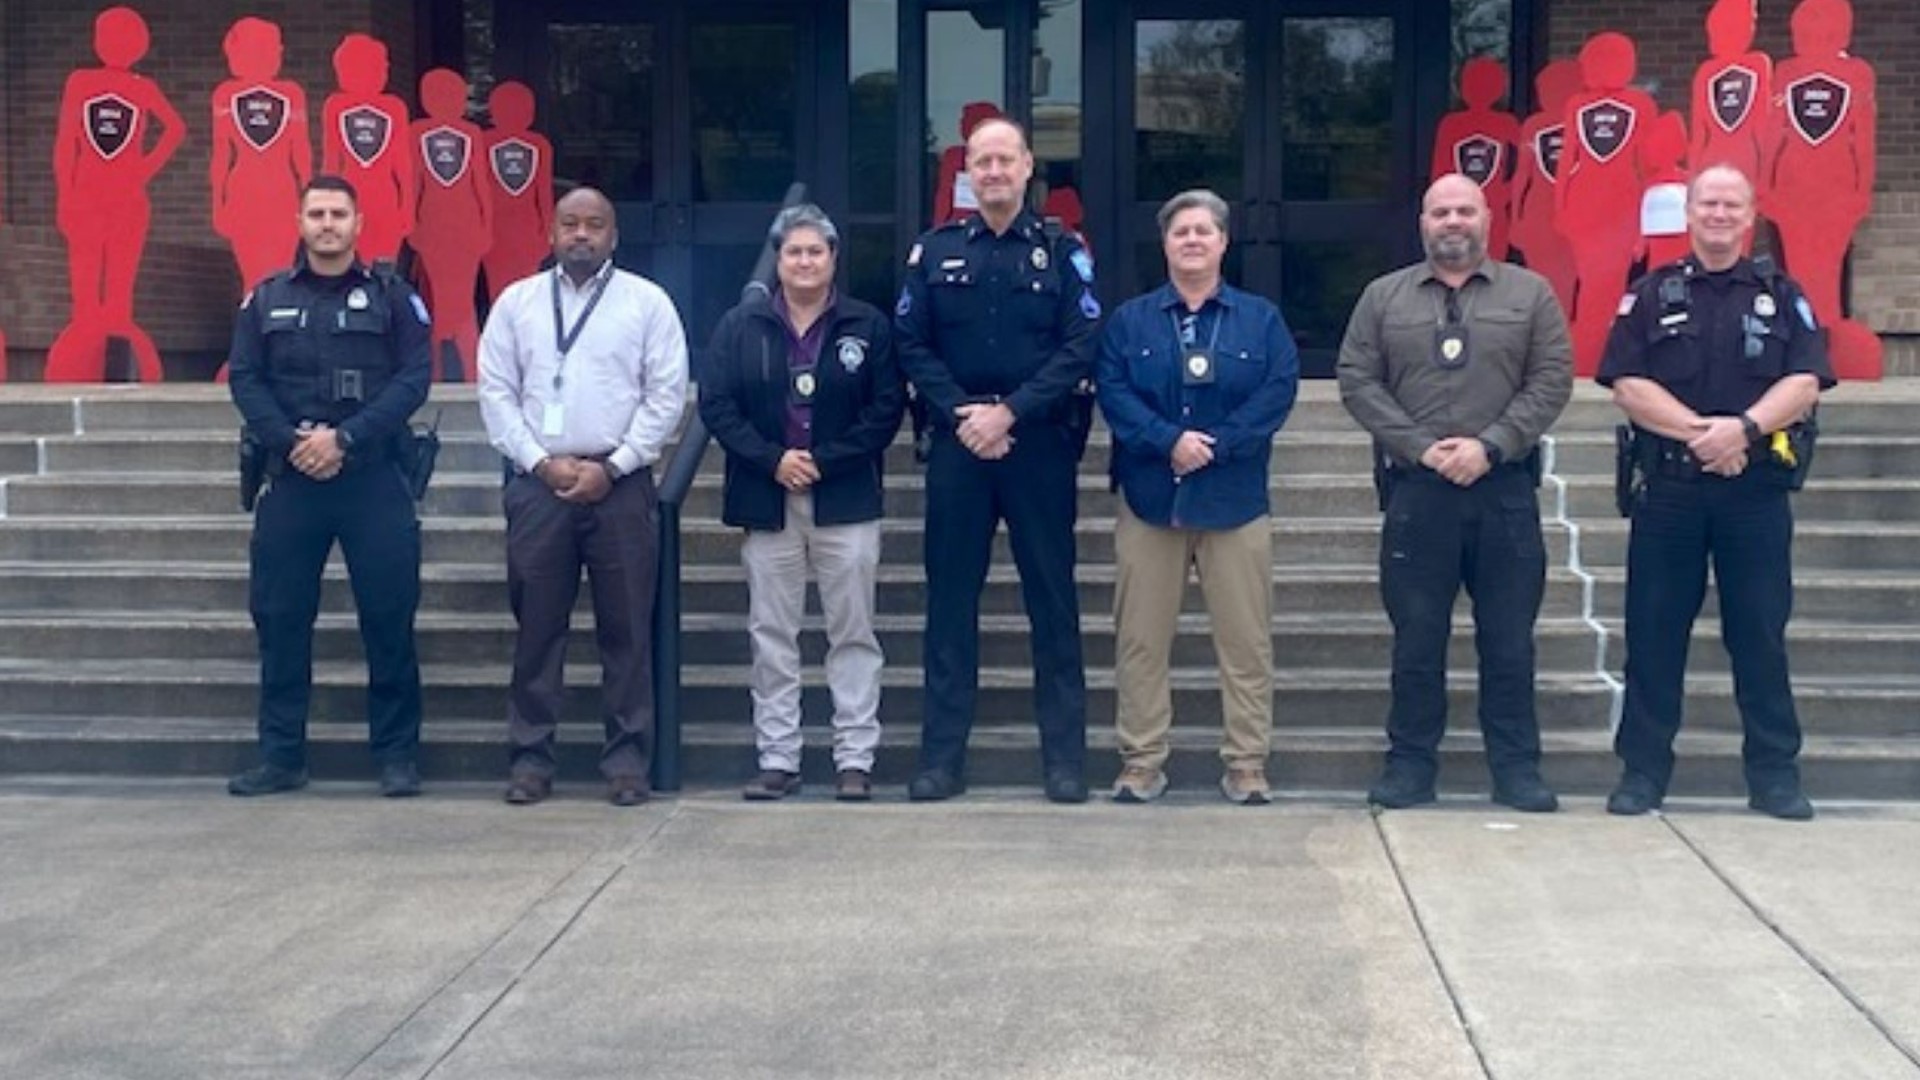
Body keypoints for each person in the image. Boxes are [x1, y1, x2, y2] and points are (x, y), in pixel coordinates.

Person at [1597, 164, 1834, 821]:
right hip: (1670, 490)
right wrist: (1706, 435)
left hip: (1754, 493)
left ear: (1750, 215)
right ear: (1691, 213)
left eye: (1732, 204)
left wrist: (1745, 430)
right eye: (1709, 203)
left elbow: (1807, 381)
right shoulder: (1650, 293)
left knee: (1759, 633)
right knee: (1653, 635)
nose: (1720, 214)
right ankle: (1642, 774)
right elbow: (1625, 383)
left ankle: (1775, 777)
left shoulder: (1783, 294)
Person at [1337, 173, 1573, 813]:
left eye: (1464, 210)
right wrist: (1418, 446)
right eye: (1440, 211)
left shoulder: (1531, 294)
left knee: (1508, 640)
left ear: (1487, 218)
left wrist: (1490, 445)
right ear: (1422, 222)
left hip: (1503, 493)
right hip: (1419, 493)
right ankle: (1410, 767)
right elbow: (1357, 380)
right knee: (1416, 638)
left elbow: (1551, 379)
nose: (1452, 222)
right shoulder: (1384, 298)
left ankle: (1517, 769)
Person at [894, 117, 1099, 803]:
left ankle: (1065, 761)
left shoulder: (1061, 251)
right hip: (959, 446)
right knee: (950, 605)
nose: (993, 172)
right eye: (982, 162)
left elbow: (1080, 344)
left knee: (1054, 603)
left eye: (1004, 160)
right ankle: (940, 759)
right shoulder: (934, 251)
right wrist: (962, 414)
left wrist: (1009, 412)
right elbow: (911, 344)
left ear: (1027, 167)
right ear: (967, 173)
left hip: (1037, 443)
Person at [477, 186, 689, 807]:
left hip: (620, 487)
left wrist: (616, 465)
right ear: (551, 232)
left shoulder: (647, 304)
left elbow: (666, 396)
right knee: (537, 631)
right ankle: (530, 761)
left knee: (626, 631)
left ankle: (627, 763)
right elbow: (497, 394)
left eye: (595, 225)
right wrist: (541, 463)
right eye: (570, 223)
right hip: (538, 487)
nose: (581, 235)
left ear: (613, 236)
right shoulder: (517, 304)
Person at [226, 174, 432, 798]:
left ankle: (396, 755)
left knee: (388, 618)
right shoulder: (265, 299)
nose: (327, 224)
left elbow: (414, 378)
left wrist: (345, 440)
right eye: (316, 213)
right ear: (299, 221)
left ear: (358, 223)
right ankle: (281, 756)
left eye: (338, 213)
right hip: (292, 481)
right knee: (281, 620)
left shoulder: (394, 298)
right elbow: (244, 378)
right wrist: (292, 443)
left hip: (371, 478)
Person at [1095, 189, 1299, 804]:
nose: (1191, 240)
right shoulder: (1130, 321)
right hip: (1152, 500)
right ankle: (1141, 760)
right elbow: (1114, 390)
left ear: (1222, 241)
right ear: (1165, 243)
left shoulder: (1259, 319)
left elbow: (1278, 388)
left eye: (1203, 231)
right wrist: (1167, 441)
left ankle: (1246, 762)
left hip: (1233, 500)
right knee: (1140, 640)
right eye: (1180, 230)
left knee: (1245, 641)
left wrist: (1217, 445)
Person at [700, 204, 905, 802]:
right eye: (794, 251)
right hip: (768, 497)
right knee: (772, 633)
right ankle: (778, 758)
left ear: (833, 259)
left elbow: (885, 409)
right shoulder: (741, 325)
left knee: (854, 633)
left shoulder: (866, 326)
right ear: (778, 259)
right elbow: (717, 405)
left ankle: (854, 759)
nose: (805, 262)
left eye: (816, 251)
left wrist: (826, 460)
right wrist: (773, 460)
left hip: (844, 496)